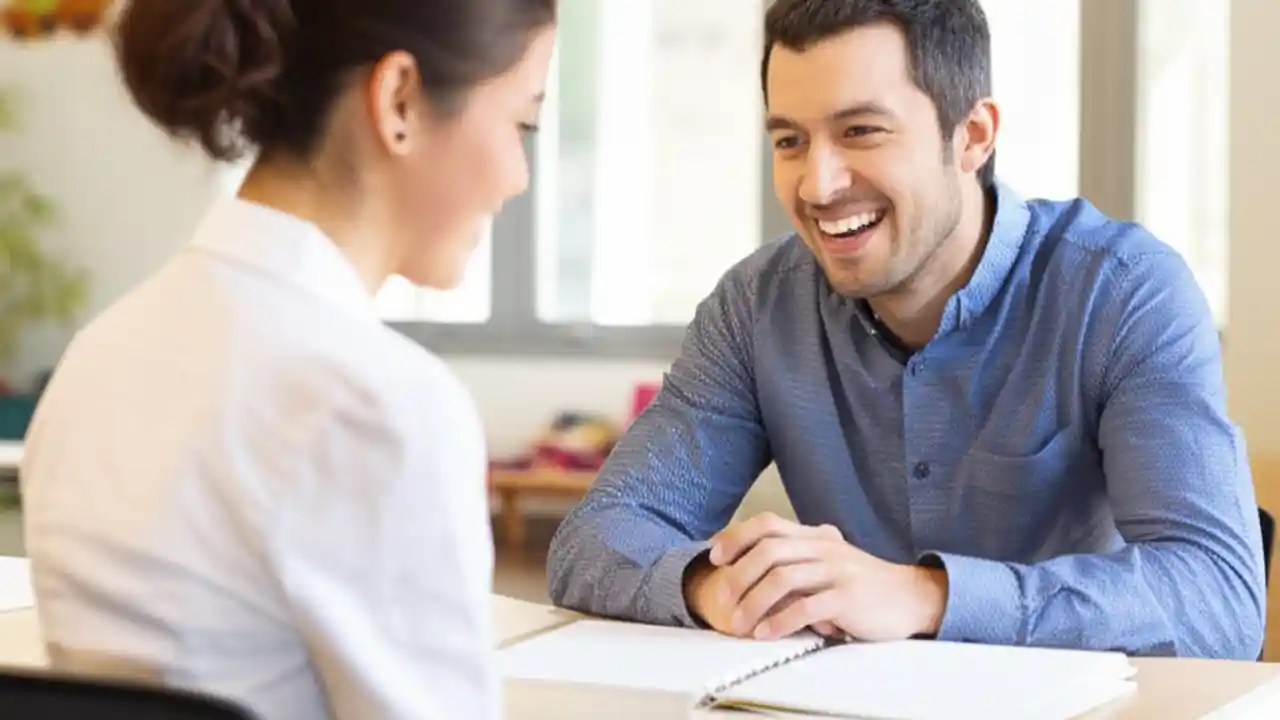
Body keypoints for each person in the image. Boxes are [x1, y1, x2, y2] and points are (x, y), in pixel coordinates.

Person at [547, 0, 1265, 660]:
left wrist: (924, 595)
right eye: (791, 141)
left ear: (974, 136)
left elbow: (1218, 601)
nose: (818, 185)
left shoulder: (1123, 292)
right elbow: (595, 540)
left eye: (861, 131)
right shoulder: (756, 308)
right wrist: (715, 586)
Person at [20, 0, 555, 717]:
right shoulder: (378, 402)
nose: (519, 177)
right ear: (399, 100)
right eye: (522, 123)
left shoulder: (98, 357)